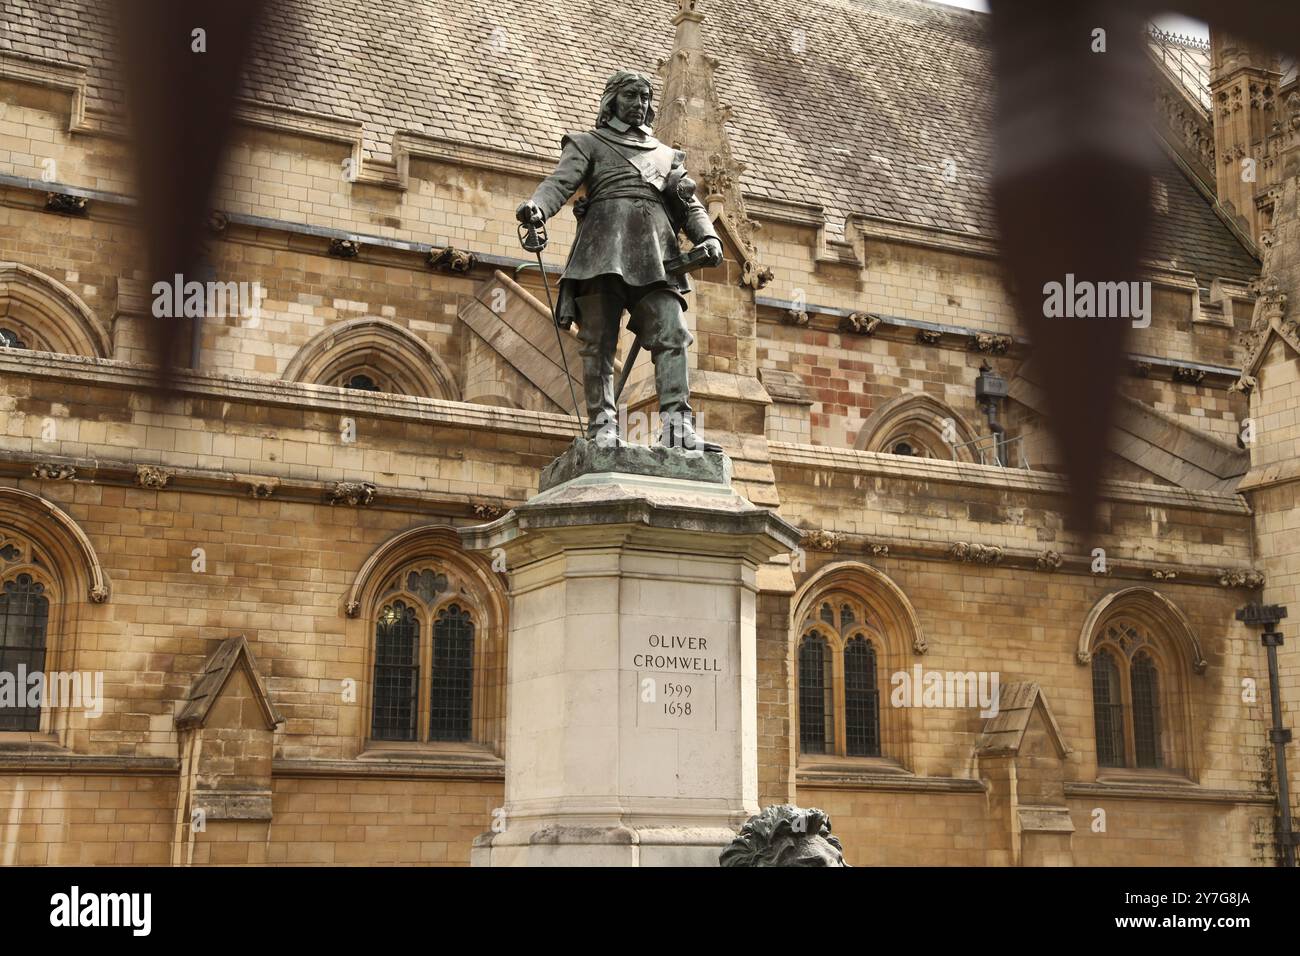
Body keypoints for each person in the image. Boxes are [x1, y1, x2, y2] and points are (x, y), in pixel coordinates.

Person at [516, 69, 723, 451]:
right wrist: (537, 209)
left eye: (645, 98)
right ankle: (602, 426)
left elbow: (689, 204)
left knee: (673, 333)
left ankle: (677, 426)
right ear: (612, 100)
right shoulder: (587, 144)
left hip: (657, 255)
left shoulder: (665, 155)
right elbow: (559, 184)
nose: (640, 104)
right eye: (632, 96)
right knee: (598, 340)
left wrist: (708, 235)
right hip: (602, 249)